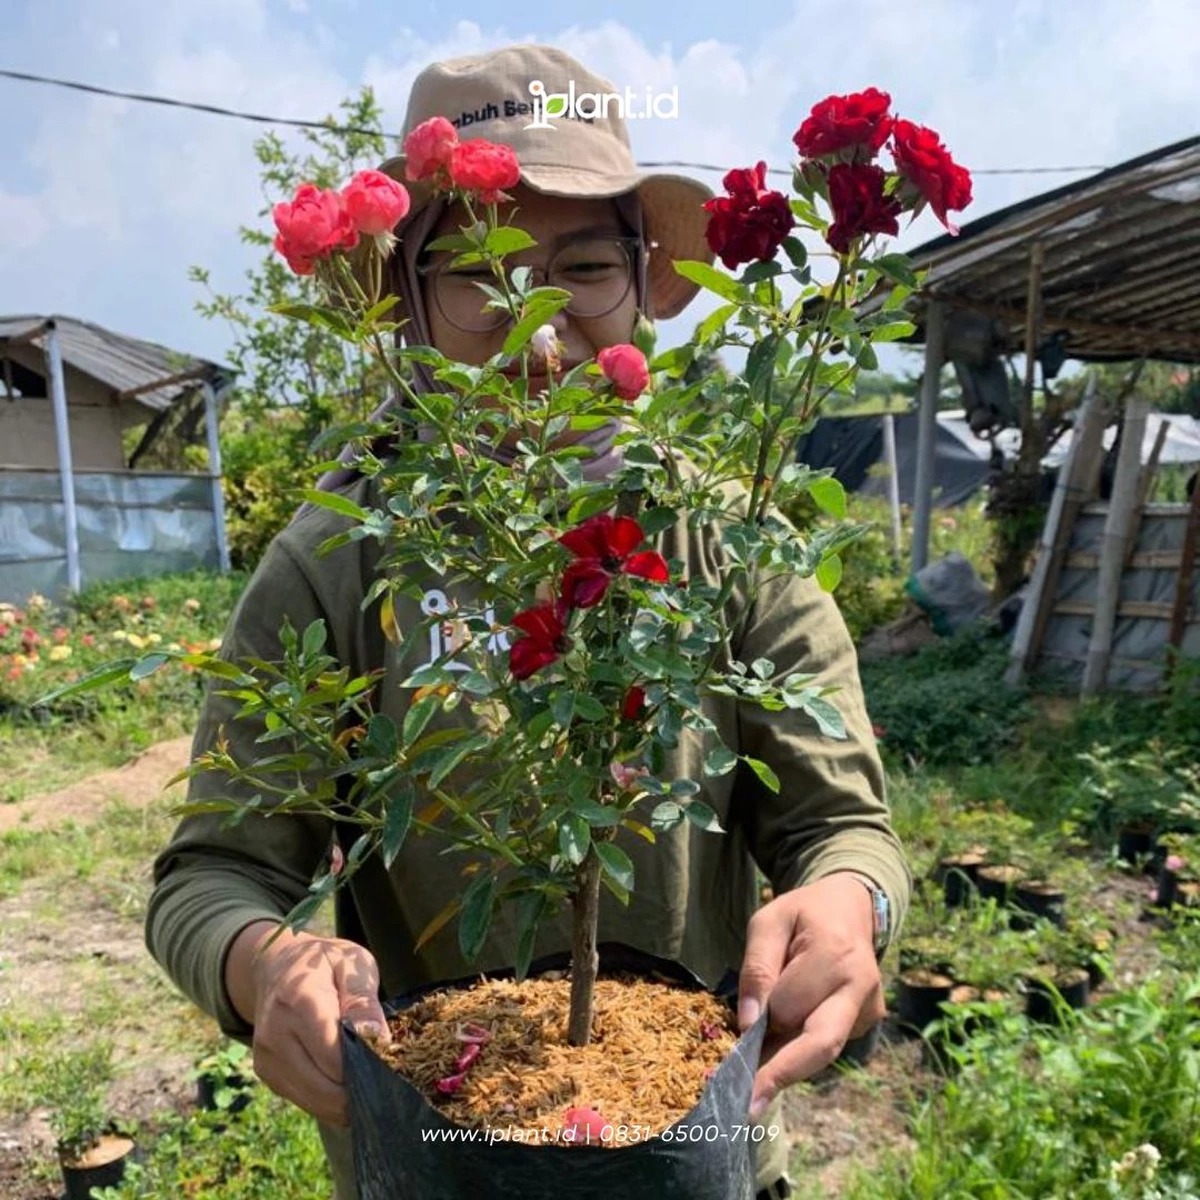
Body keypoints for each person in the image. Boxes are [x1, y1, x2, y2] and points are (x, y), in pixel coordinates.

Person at [145, 44, 910, 1200]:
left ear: (646, 277)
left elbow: (844, 824)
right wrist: (261, 963)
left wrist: (856, 901)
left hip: (691, 1141)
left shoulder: (724, 533)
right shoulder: (337, 559)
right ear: (398, 299)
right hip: (435, 1148)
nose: (534, 326)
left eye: (585, 263)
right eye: (478, 273)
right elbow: (210, 875)